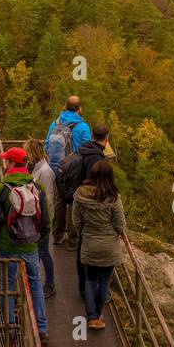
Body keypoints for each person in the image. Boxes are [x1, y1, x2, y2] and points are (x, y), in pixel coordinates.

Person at [0, 146, 49, 344]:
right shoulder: (37, 186)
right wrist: (39, 239)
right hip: (31, 245)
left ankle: (11, 329)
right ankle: (41, 328)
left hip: (9, 245)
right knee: (35, 283)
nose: (5, 163)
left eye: (6, 160)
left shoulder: (1, 188)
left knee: (8, 285)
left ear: (12, 164)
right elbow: (46, 219)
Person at [70, 159, 126, 330]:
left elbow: (76, 221)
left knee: (90, 279)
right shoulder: (113, 197)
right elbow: (120, 224)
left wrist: (85, 232)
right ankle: (98, 316)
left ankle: (91, 316)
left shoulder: (80, 194)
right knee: (104, 281)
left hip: (89, 243)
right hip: (109, 246)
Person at [56, 123, 113, 289]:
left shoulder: (84, 149)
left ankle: (84, 285)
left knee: (83, 248)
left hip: (77, 197)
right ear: (106, 138)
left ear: (92, 136)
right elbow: (95, 185)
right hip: (87, 205)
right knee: (85, 248)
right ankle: (88, 287)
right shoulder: (96, 158)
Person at [45, 96, 91, 245]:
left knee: (59, 200)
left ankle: (57, 236)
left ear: (65, 106)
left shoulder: (55, 123)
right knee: (73, 202)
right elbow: (87, 150)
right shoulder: (83, 127)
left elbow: (47, 146)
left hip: (57, 168)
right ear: (79, 109)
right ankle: (72, 239)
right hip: (75, 170)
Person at [25, 137, 56, 298]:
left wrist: (45, 223)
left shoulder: (45, 172)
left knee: (43, 251)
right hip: (32, 216)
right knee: (36, 251)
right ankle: (34, 282)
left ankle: (50, 284)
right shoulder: (30, 167)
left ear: (33, 153)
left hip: (41, 218)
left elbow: (48, 199)